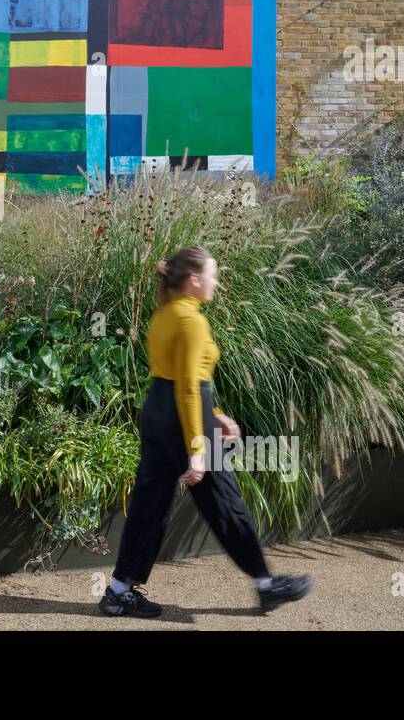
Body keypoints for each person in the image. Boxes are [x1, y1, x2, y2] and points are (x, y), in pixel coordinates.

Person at [98, 246, 313, 617]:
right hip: (184, 416)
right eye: (213, 274)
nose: (216, 281)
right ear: (194, 279)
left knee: (150, 505)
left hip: (158, 412)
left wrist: (213, 413)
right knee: (224, 501)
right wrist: (198, 449)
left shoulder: (164, 315)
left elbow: (177, 382)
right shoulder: (192, 320)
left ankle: (119, 591)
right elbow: (187, 386)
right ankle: (266, 583)